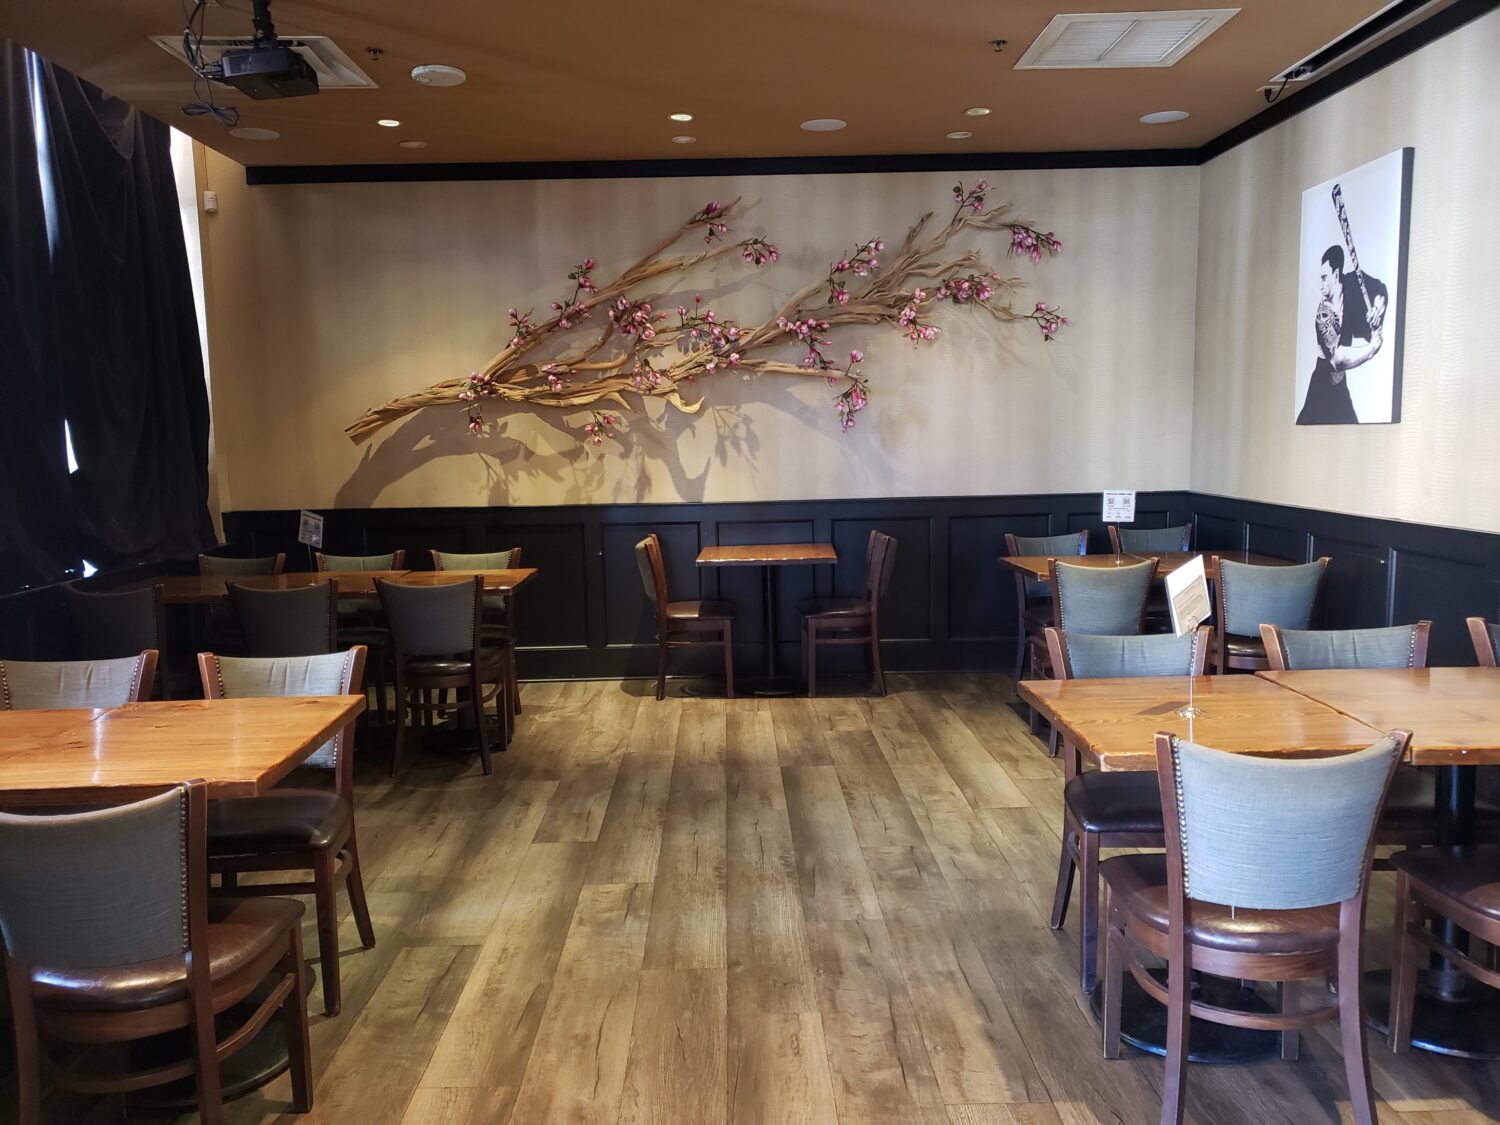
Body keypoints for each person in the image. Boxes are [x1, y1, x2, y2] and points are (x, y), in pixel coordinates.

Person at [1297, 245, 1388, 425]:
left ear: (1336, 275)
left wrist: (1377, 310)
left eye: (1324, 278)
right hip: (1320, 390)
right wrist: (1370, 349)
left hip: (1340, 388)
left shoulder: (1354, 283)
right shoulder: (1323, 314)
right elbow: (1338, 361)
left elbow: (1381, 291)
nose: (1321, 286)